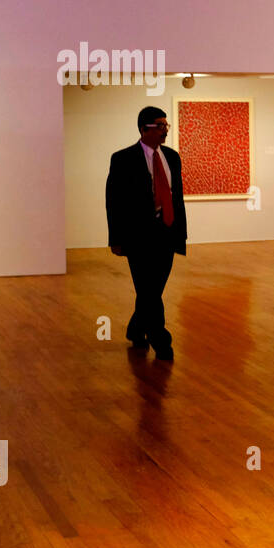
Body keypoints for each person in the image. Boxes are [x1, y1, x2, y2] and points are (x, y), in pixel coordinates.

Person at [105, 107, 188, 361]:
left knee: (152, 289)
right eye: (160, 126)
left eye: (166, 126)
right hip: (138, 235)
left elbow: (177, 196)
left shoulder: (172, 157)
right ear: (144, 129)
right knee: (148, 289)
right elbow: (113, 200)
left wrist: (181, 232)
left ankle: (136, 328)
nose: (165, 131)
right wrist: (116, 238)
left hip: (166, 231)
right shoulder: (123, 158)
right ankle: (161, 340)